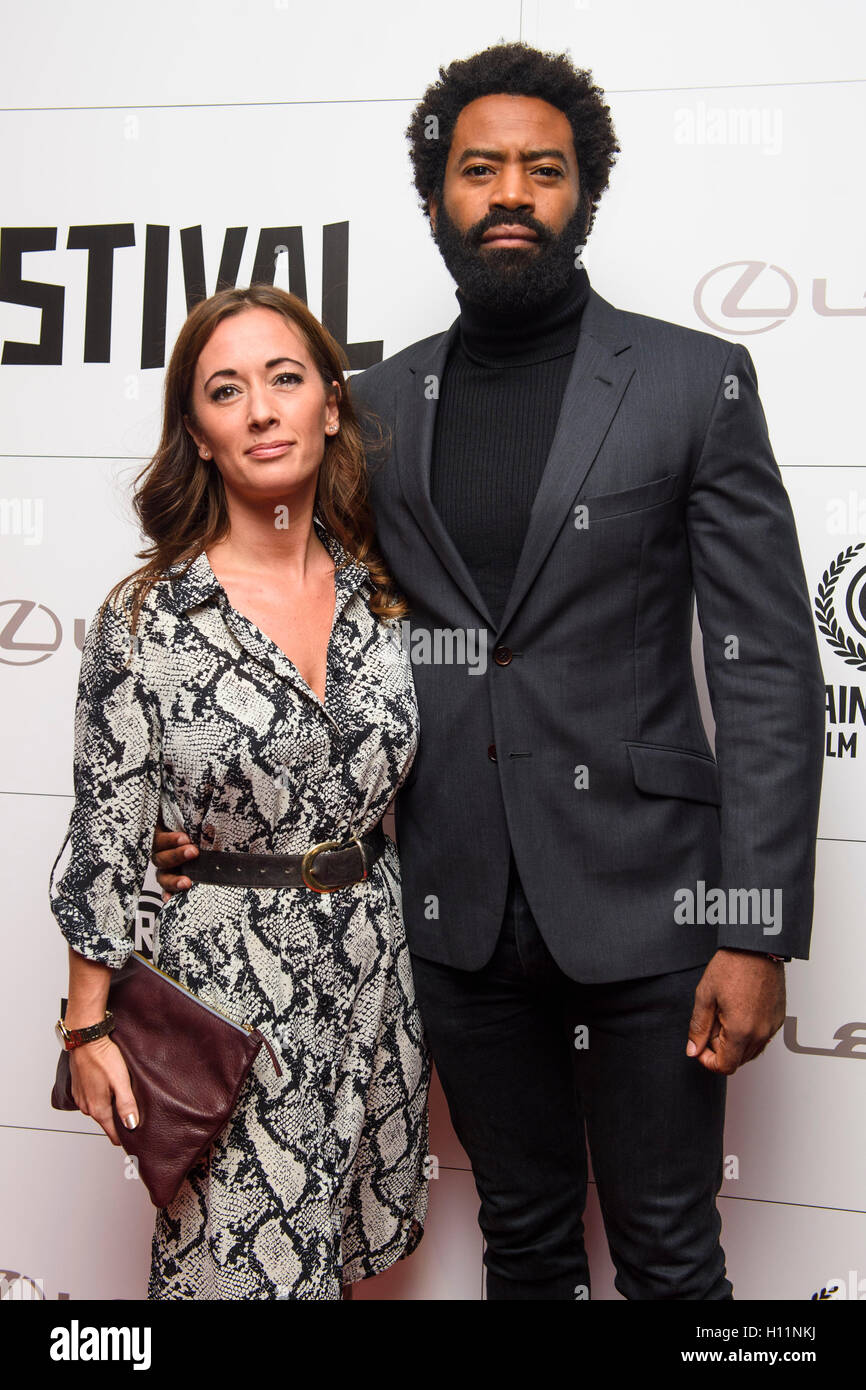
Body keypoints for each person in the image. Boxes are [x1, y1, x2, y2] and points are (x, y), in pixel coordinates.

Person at [155, 43, 825, 1300]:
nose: (509, 191)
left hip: (653, 917)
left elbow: (768, 670)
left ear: (583, 195)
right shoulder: (372, 406)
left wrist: (755, 927)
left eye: (542, 169)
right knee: (520, 1247)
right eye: (478, 170)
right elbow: (304, 625)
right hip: (451, 915)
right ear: (436, 201)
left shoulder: (691, 381)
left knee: (672, 1259)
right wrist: (211, 817)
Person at [49, 285, 430, 1301]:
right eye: (227, 391)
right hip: (227, 996)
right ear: (200, 435)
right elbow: (106, 831)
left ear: (330, 407)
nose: (261, 409)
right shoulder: (148, 619)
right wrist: (86, 1025)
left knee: (353, 1265)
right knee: (235, 1277)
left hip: (373, 979)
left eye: (285, 378)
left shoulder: (382, 595)